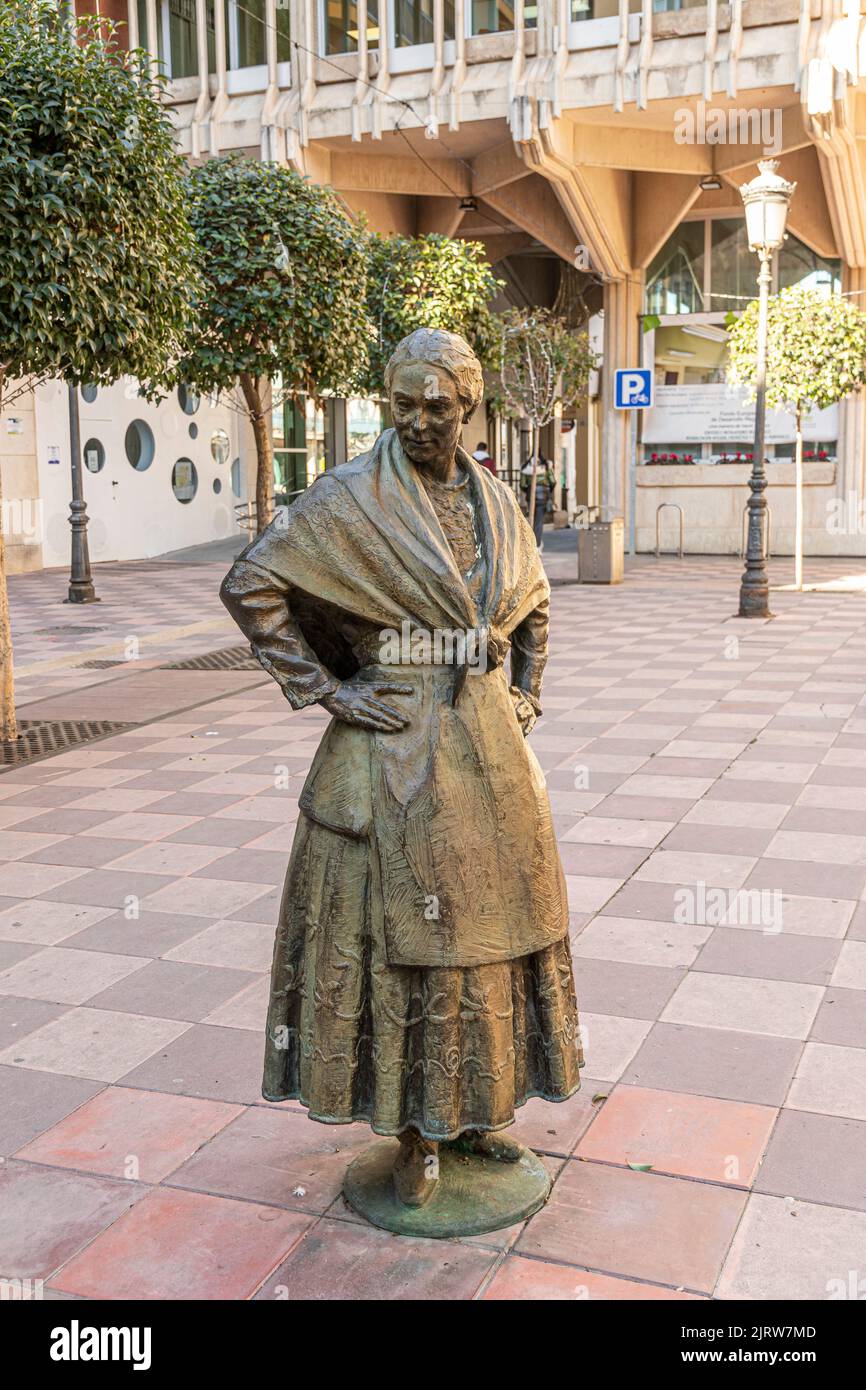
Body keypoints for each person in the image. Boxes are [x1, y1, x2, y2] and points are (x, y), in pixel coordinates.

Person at [220, 328, 582, 1213]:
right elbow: (252, 585)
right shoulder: (350, 497)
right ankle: (411, 1132)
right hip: (393, 749)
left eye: (439, 407)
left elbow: (532, 604)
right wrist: (329, 690)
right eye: (405, 405)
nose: (421, 422)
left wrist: (528, 691)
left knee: (495, 933)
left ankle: (476, 1111)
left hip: (490, 757)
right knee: (406, 948)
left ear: (470, 408)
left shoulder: (497, 500)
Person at [522, 450, 554, 550]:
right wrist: (549, 492)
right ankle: (537, 544)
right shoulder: (546, 466)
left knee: (532, 519)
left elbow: (522, 484)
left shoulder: (526, 467)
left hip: (530, 497)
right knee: (539, 522)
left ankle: (532, 543)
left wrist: (528, 490)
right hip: (542, 496)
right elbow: (553, 481)